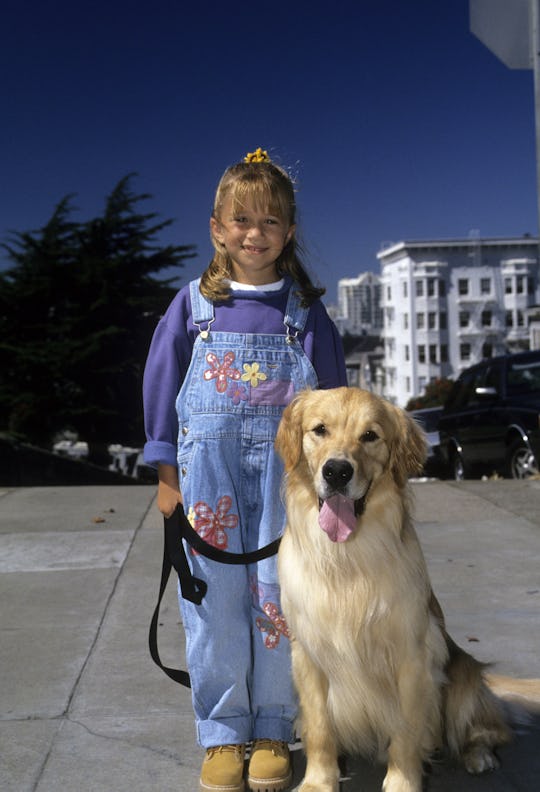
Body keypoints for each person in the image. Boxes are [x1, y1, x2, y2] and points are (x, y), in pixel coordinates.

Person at [143, 147, 347, 792]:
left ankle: (274, 725)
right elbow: (161, 387)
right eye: (241, 220)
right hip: (209, 473)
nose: (253, 234)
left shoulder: (306, 314)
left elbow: (336, 405)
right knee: (212, 600)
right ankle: (223, 732)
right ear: (216, 228)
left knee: (280, 600)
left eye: (269, 221)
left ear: (288, 232)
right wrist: (165, 473)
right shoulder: (193, 310)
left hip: (287, 482)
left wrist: (332, 486)